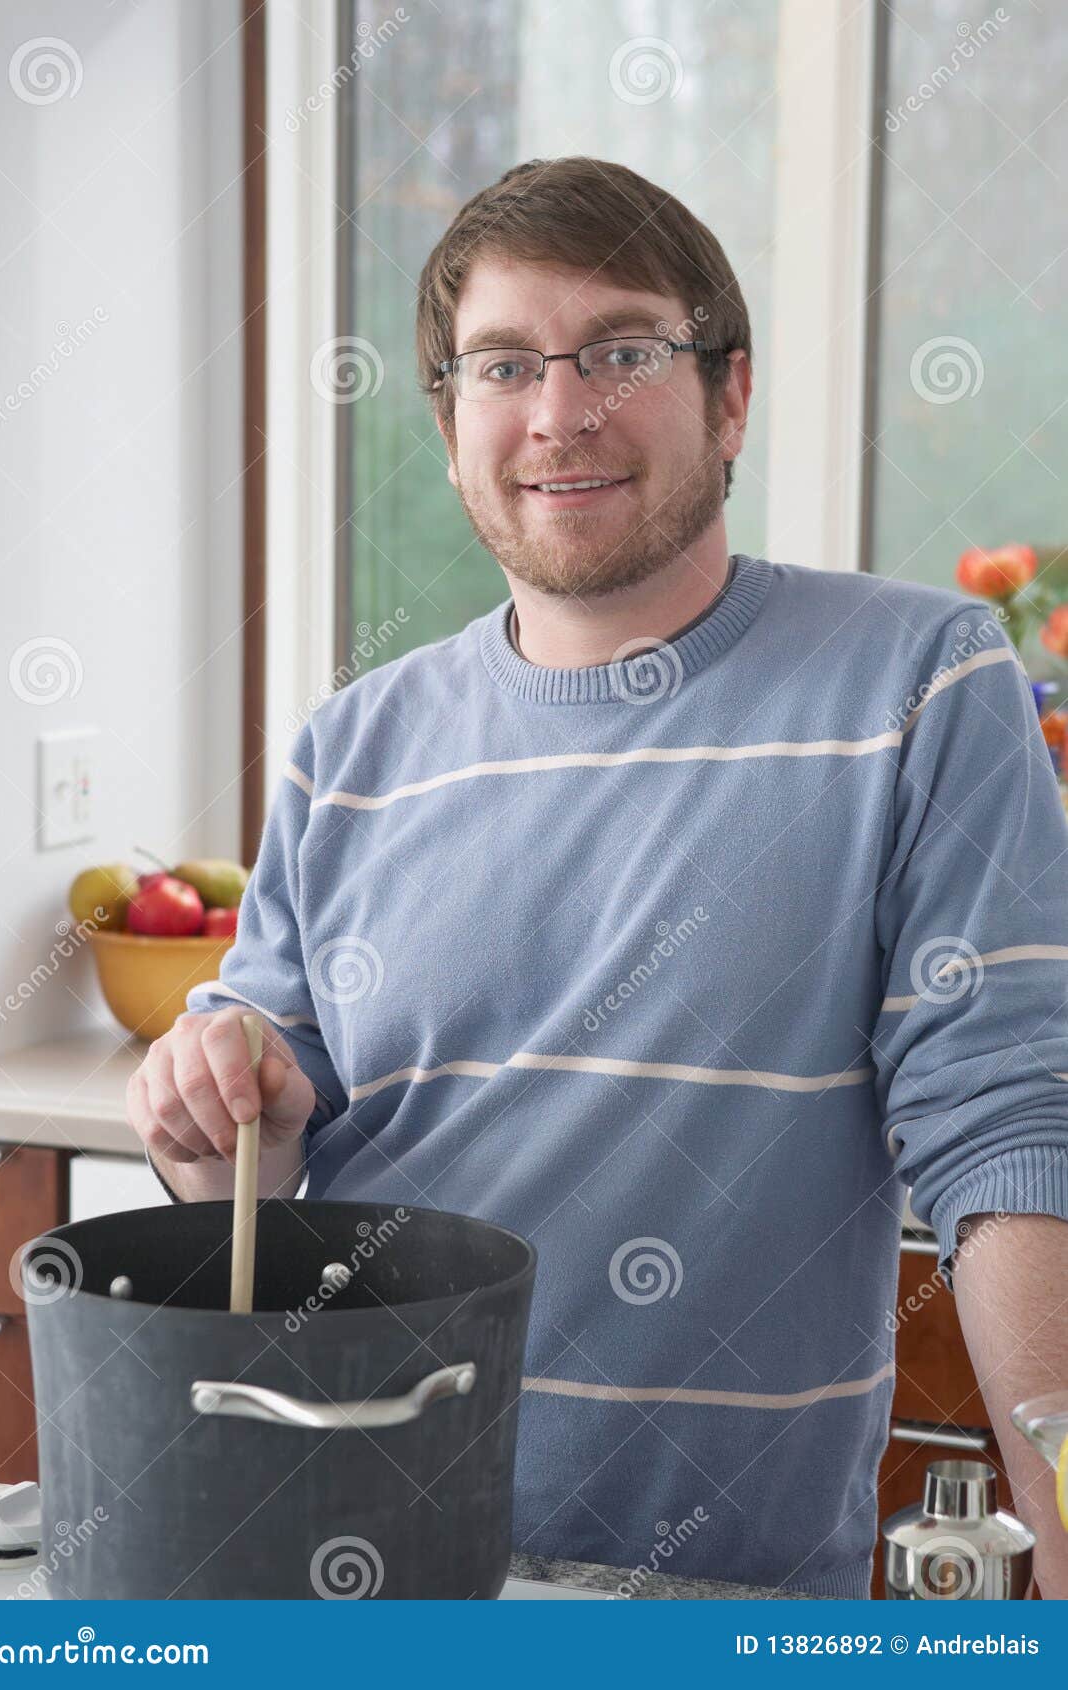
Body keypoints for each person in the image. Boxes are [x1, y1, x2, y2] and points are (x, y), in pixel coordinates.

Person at [127, 157, 1068, 1599]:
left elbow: (1010, 1129)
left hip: (727, 1607)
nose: (561, 413)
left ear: (730, 392)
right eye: (505, 365)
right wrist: (209, 1101)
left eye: (623, 350)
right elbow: (260, 1150)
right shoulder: (350, 749)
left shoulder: (919, 684)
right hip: (359, 1570)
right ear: (450, 426)